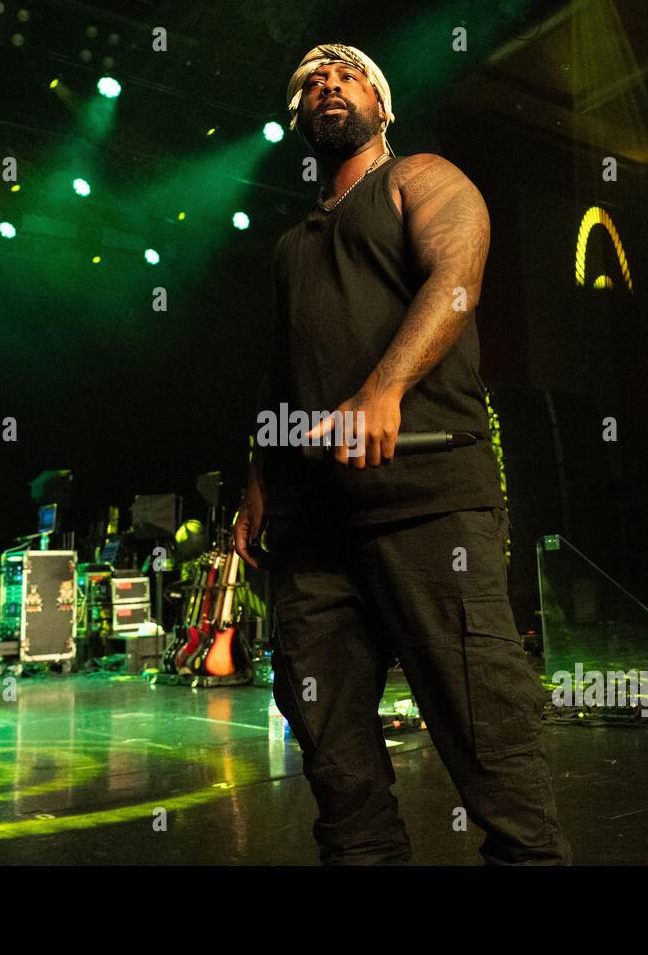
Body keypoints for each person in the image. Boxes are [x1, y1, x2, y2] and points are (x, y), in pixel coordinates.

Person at [233, 43, 569, 865]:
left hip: (427, 501)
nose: (329, 86)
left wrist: (382, 390)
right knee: (332, 756)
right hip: (312, 527)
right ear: (297, 117)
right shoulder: (291, 248)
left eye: (348, 77)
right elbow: (284, 371)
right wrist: (257, 479)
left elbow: (458, 278)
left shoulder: (422, 177)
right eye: (312, 81)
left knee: (489, 735)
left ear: (383, 107)